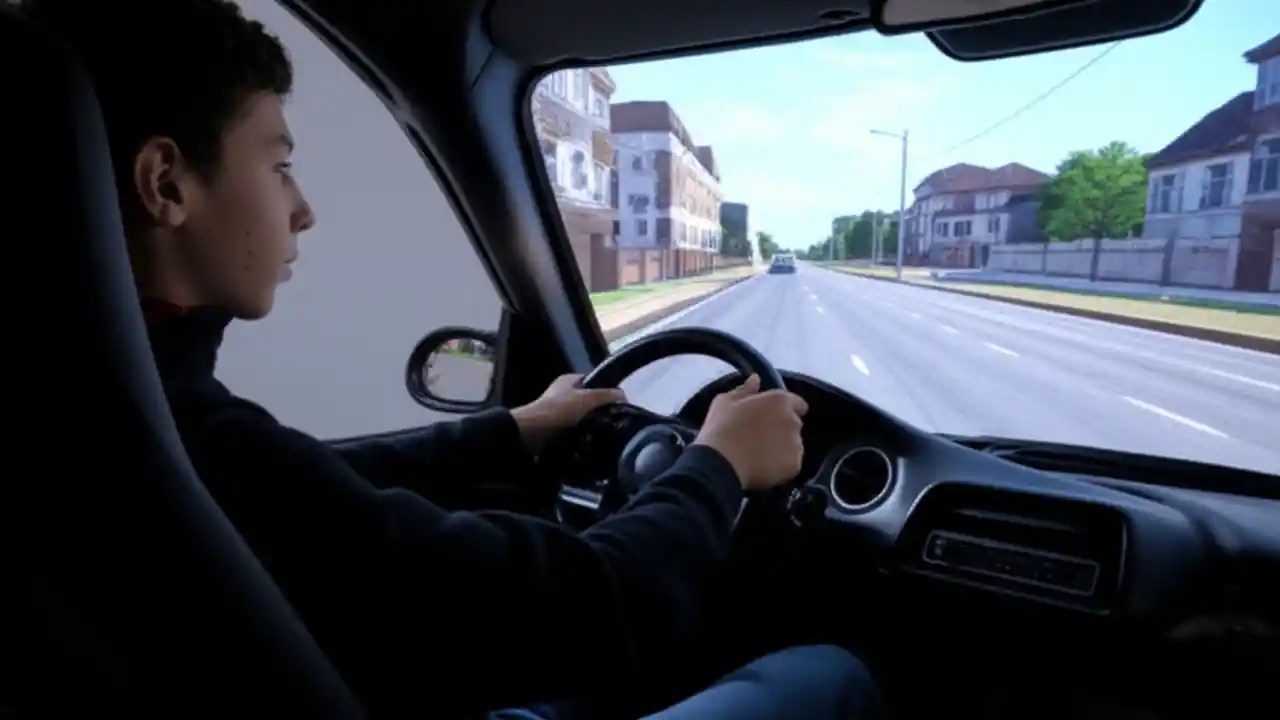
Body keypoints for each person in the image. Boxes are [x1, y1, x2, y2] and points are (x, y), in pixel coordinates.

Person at [24, 1, 883, 718]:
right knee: (831, 674)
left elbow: (321, 489)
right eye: (278, 165)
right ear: (166, 184)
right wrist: (719, 465)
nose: (303, 210)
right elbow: (587, 610)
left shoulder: (99, 422)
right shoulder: (185, 430)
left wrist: (514, 430)